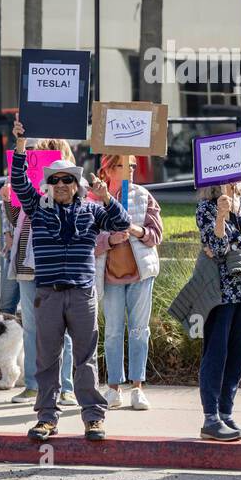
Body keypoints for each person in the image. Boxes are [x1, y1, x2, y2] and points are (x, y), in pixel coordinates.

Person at [9, 118, 129, 443]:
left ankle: (93, 418)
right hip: (47, 293)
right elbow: (18, 183)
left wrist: (106, 197)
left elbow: (123, 222)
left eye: (67, 179)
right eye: (55, 179)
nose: (61, 184)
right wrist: (21, 144)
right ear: (49, 183)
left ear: (76, 183)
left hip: (81, 294)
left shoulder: (91, 211)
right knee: (46, 358)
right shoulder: (39, 208)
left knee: (85, 358)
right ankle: (47, 419)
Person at [195, 175, 241, 442]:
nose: (235, 179)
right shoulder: (206, 207)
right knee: (216, 353)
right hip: (219, 293)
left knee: (237, 355)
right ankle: (210, 418)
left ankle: (226, 413)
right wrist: (221, 219)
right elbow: (214, 246)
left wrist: (235, 243)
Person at [2, 138, 75, 406]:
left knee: (61, 328)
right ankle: (33, 385)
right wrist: (8, 201)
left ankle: (65, 387)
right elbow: (16, 219)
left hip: (53, 267)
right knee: (31, 328)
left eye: (42, 156)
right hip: (26, 266)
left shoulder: (67, 192)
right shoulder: (30, 190)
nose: (37, 160)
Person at [92, 154, 163, 411]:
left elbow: (156, 234)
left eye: (132, 165)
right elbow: (87, 241)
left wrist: (136, 230)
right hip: (110, 277)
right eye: (122, 165)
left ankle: (137, 387)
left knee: (139, 330)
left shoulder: (143, 196)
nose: (130, 170)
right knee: (112, 332)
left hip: (140, 276)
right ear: (108, 169)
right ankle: (113, 387)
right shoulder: (94, 201)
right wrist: (110, 240)